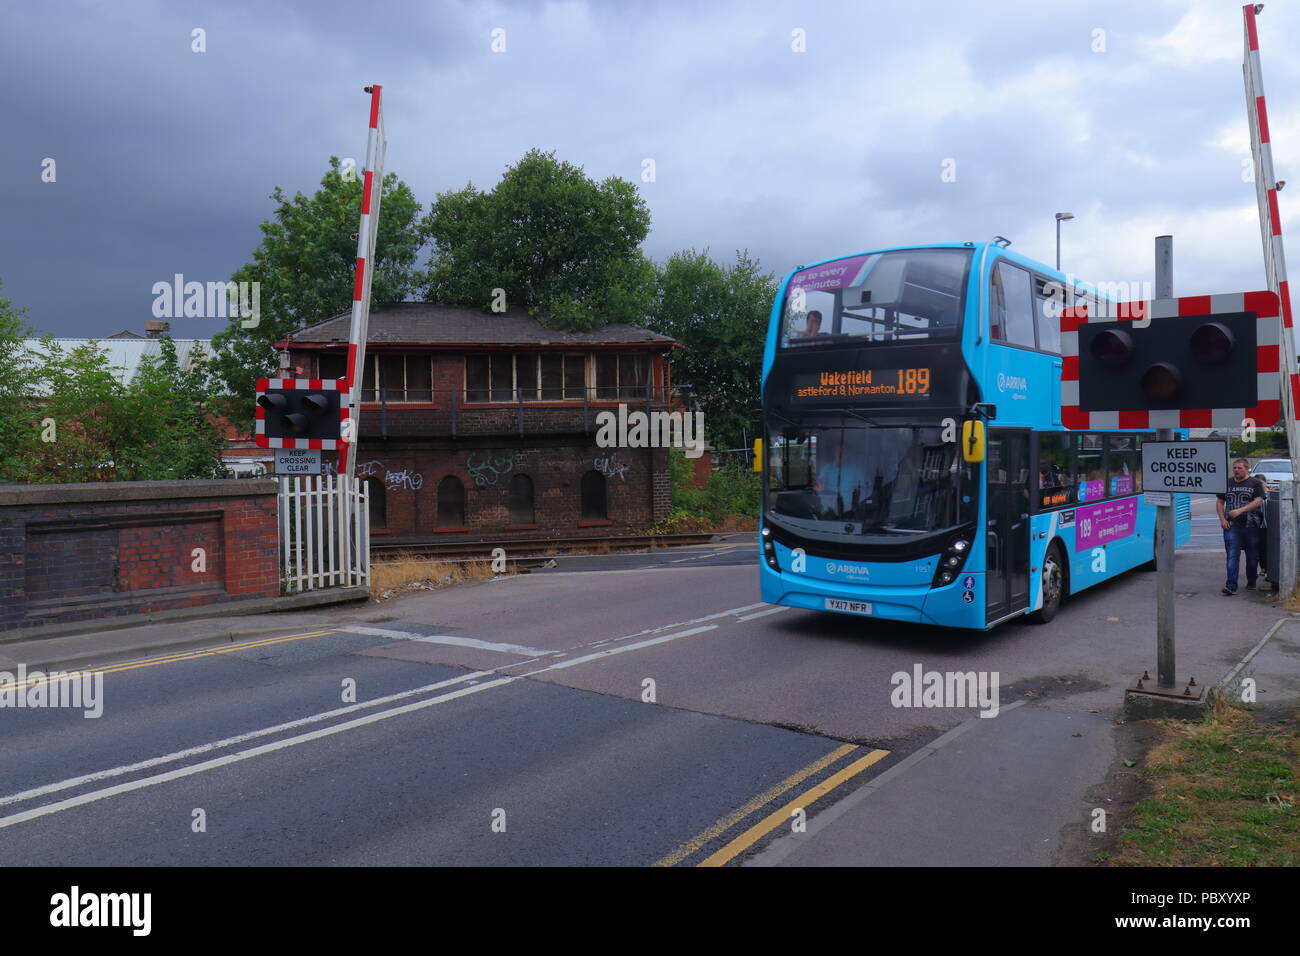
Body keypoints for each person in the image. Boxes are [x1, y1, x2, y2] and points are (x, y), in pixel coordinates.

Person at [1217, 458, 1267, 595]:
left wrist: (1240, 510)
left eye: (1239, 468)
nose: (1236, 470)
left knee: (1252, 557)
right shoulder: (1227, 483)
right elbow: (1220, 501)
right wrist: (1222, 519)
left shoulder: (1255, 483)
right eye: (1235, 468)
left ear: (1246, 469)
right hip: (1231, 525)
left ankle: (1251, 580)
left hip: (1251, 525)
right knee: (1232, 555)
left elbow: (1258, 501)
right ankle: (1231, 585)